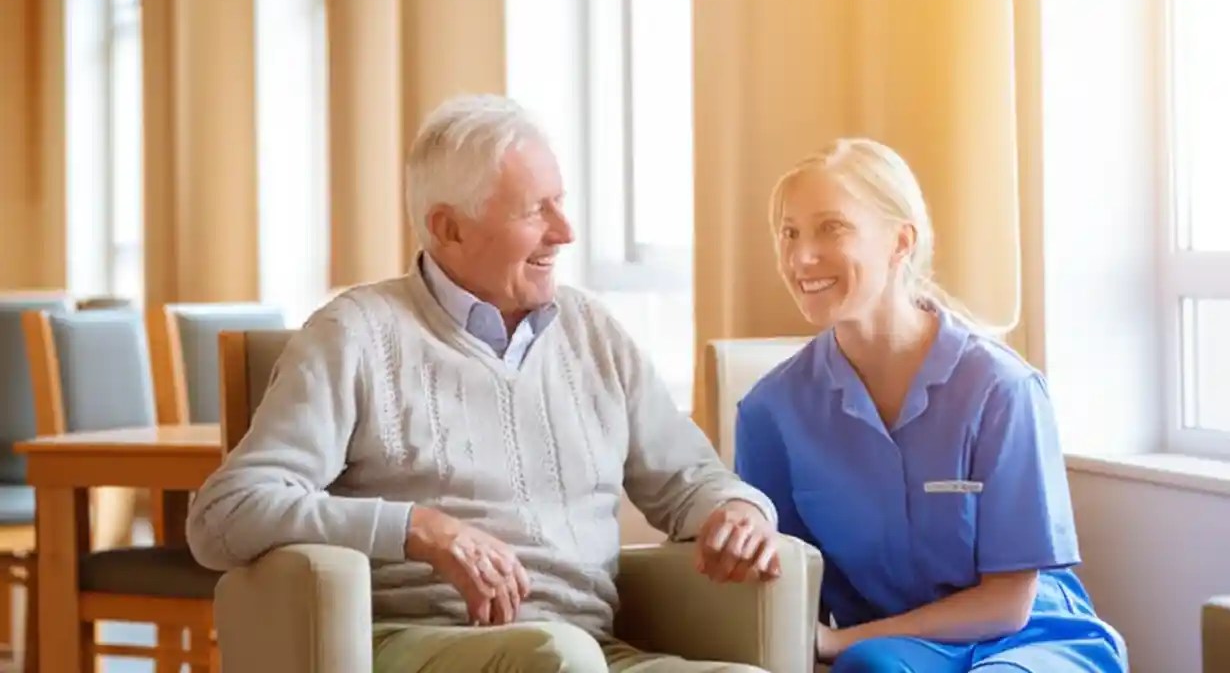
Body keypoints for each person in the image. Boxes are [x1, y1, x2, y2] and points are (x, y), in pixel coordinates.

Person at [187, 94, 783, 672]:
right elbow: (225, 514)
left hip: (592, 649)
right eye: (534, 210)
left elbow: (689, 481)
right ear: (449, 229)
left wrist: (736, 511)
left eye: (561, 202)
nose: (565, 230)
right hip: (418, 642)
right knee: (560, 657)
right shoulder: (355, 334)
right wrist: (417, 528)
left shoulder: (593, 331)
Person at [734, 138, 1128, 672]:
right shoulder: (770, 412)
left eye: (831, 228)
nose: (801, 257)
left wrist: (837, 642)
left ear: (900, 242)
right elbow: (788, 584)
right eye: (789, 233)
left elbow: (1009, 602)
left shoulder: (1001, 390)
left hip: (1033, 639)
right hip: (894, 650)